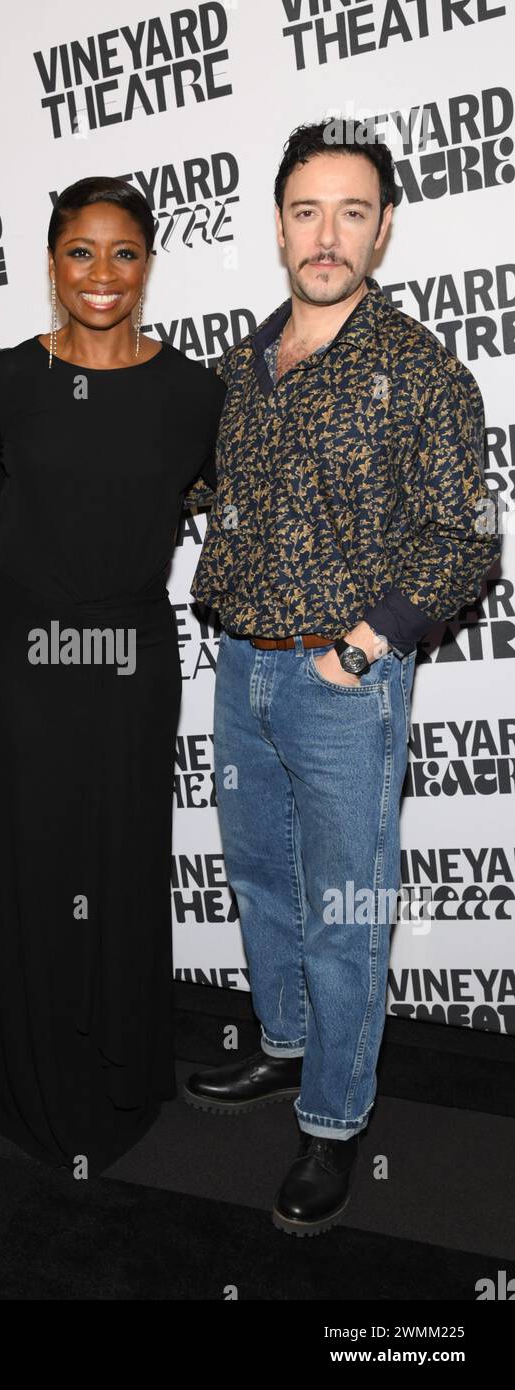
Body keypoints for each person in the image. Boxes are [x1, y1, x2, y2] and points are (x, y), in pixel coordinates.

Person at [184, 120, 503, 1235]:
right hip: (239, 667)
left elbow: (466, 538)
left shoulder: (420, 370)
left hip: (342, 684)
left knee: (345, 911)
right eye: (306, 211)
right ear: (279, 227)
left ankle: (332, 1118)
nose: (326, 235)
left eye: (351, 212)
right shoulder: (240, 366)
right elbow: (198, 490)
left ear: (382, 229)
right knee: (260, 881)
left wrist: (361, 648)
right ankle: (282, 1045)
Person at [0, 176, 226, 1176]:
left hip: (132, 661)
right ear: (51, 262)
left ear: (147, 264)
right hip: (28, 661)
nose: (101, 273)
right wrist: (8, 633)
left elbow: (226, 513)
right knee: (35, 865)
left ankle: (120, 1076)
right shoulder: (3, 382)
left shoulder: (194, 394)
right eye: (81, 251)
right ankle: (39, 1084)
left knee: (121, 862)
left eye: (123, 252)